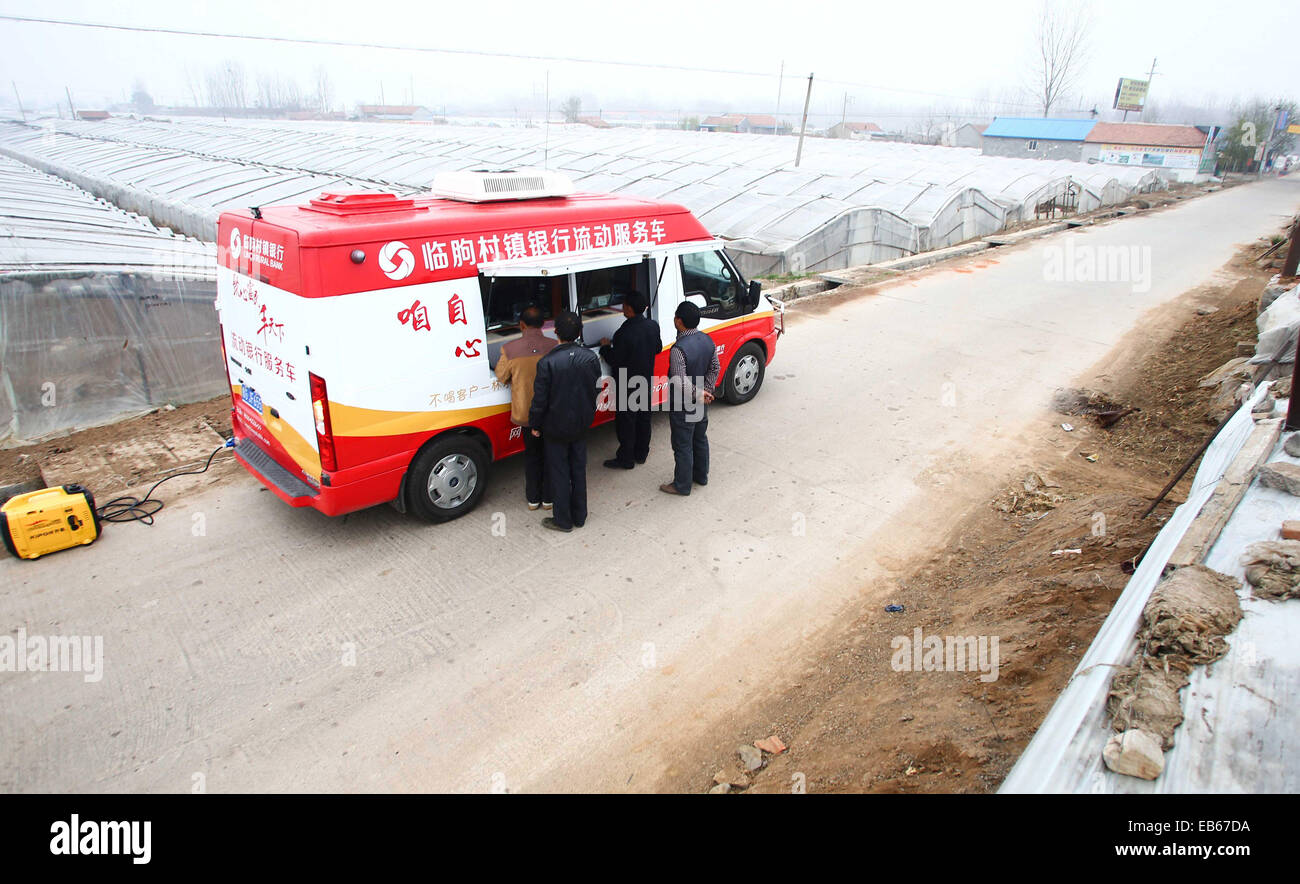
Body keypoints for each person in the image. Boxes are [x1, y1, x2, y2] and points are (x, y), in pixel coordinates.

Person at [529, 311, 602, 532]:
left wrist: (535, 425)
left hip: (555, 427)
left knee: (560, 472)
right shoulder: (590, 357)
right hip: (581, 423)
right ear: (579, 332)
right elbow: (596, 388)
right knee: (578, 469)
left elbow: (540, 400)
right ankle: (580, 515)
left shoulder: (547, 362)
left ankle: (563, 520)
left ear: (556, 332)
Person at [494, 305, 558, 510]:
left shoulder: (509, 349)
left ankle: (533, 499)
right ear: (543, 323)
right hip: (550, 412)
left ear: (521, 324)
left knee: (531, 456)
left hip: (526, 414)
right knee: (550, 454)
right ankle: (549, 499)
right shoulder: (554, 345)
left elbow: (501, 376)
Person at [660, 301, 720, 496]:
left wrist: (697, 394)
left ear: (679, 321)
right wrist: (707, 391)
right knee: (700, 438)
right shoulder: (707, 340)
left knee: (683, 444)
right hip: (702, 401)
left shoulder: (678, 349)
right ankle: (701, 476)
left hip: (683, 404)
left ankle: (682, 485)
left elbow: (679, 380)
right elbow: (715, 368)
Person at [598, 290, 661, 470]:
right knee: (643, 418)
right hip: (645, 380)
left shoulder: (623, 334)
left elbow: (615, 359)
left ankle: (625, 458)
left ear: (630, 309)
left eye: (624, 305)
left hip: (627, 383)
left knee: (626, 422)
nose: (622, 308)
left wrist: (604, 348)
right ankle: (641, 453)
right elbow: (657, 348)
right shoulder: (652, 325)